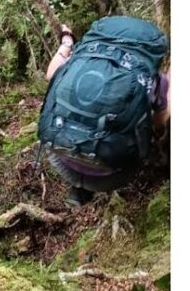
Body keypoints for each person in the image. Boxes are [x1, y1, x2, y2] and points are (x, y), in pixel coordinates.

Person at [38, 17, 169, 207]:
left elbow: (51, 75)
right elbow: (158, 124)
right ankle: (96, 182)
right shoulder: (153, 80)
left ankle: (78, 190)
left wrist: (67, 41)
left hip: (61, 158)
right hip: (115, 175)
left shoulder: (77, 61)